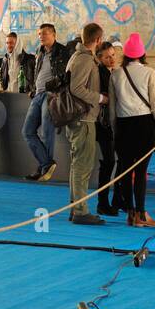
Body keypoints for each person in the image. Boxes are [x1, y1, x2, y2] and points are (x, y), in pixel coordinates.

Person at [112, 33, 155, 228]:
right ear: (142, 54)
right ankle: (142, 214)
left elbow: (112, 107)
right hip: (144, 126)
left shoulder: (116, 74)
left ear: (125, 54)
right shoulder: (149, 73)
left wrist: (114, 128)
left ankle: (131, 213)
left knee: (126, 171)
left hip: (123, 126)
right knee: (141, 171)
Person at [64, 24, 111, 225]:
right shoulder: (84, 59)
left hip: (77, 118)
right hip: (83, 119)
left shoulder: (77, 56)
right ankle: (81, 211)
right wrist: (100, 98)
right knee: (83, 167)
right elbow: (77, 88)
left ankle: (76, 207)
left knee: (77, 166)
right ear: (98, 40)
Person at [22, 23, 70, 182]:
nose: (41, 36)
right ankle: (46, 163)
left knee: (46, 134)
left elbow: (66, 76)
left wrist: (53, 88)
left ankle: (43, 167)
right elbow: (38, 72)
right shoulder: (39, 51)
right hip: (38, 94)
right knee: (27, 131)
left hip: (52, 95)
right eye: (39, 34)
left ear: (54, 34)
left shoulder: (63, 52)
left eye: (44, 33)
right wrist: (33, 88)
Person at [95, 41, 127, 217]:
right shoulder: (98, 73)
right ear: (100, 58)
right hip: (103, 124)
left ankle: (118, 198)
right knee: (108, 162)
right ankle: (103, 201)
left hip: (116, 123)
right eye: (107, 57)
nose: (111, 59)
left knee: (121, 161)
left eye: (113, 55)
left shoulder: (116, 72)